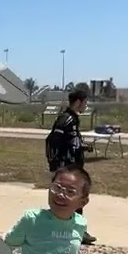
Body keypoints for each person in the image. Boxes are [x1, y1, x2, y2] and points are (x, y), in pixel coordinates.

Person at [44, 89, 96, 245]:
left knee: (75, 198)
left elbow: (70, 141)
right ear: (78, 102)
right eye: (85, 103)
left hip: (74, 166)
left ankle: (76, 230)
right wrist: (55, 164)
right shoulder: (65, 119)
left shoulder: (73, 120)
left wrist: (82, 147)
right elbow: (52, 141)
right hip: (67, 168)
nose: (86, 106)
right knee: (70, 198)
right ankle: (75, 232)